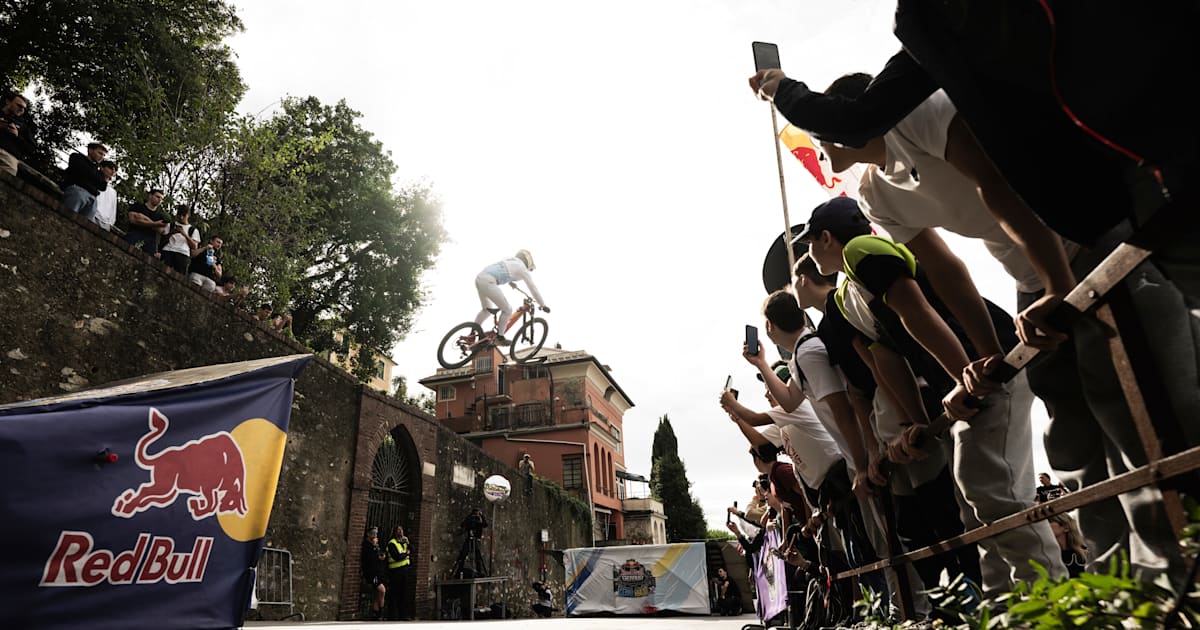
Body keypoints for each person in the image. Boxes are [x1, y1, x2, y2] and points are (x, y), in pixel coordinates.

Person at [796, 196, 1067, 595]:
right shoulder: (844, 296)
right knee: (975, 502)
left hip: (988, 365)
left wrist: (964, 374)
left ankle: (1049, 598)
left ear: (826, 238)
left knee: (992, 489)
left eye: (810, 243)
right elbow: (885, 359)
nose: (808, 252)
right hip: (960, 382)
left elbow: (915, 310)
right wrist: (915, 421)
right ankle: (1007, 603)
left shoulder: (861, 250)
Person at [473, 249, 548, 344]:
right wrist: (543, 304)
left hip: (479, 278)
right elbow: (533, 288)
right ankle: (500, 337)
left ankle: (472, 334)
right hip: (489, 282)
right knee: (507, 310)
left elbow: (505, 272)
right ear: (526, 262)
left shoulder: (508, 260)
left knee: (486, 310)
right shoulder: (523, 269)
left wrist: (511, 283)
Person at [61, 142, 108, 219]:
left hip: (92, 198)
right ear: (90, 150)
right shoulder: (77, 157)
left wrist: (103, 177)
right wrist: (97, 177)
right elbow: (83, 171)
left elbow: (102, 187)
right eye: (100, 153)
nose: (102, 157)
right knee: (67, 217)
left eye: (103, 155)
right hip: (77, 191)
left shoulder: (97, 170)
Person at [0, 91, 36, 176]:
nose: (21, 110)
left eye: (24, 108)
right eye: (19, 106)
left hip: (8, 158)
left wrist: (17, 136)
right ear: (8, 102)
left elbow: (31, 148)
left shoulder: (24, 126)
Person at [124, 189, 169, 256]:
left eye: (161, 199)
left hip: (149, 243)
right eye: (157, 197)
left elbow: (162, 231)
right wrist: (155, 224)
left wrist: (143, 218)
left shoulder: (160, 216)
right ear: (150, 196)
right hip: (134, 235)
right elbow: (133, 219)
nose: (160, 200)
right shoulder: (138, 206)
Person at [160, 205, 200, 274]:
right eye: (179, 215)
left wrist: (184, 234)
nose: (181, 217)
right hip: (168, 251)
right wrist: (172, 233)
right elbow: (163, 240)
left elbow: (194, 246)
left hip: (183, 254)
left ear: (188, 215)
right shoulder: (170, 225)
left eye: (184, 215)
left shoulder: (193, 230)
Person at [360, 525, 388, 620]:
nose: (375, 535)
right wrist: (373, 546)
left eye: (376, 533)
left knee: (377, 594)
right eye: (373, 533)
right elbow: (368, 558)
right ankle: (381, 611)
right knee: (382, 590)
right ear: (368, 534)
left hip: (379, 571)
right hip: (371, 573)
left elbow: (380, 555)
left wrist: (382, 556)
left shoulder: (377, 545)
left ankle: (376, 614)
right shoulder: (367, 545)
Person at [1049, 513, 1089, 578]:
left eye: (1050, 521)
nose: (1046, 525)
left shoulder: (1084, 552)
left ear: (1066, 527)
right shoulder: (1048, 555)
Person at [385, 525, 412, 621]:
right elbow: (397, 557)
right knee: (394, 594)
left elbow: (412, 550)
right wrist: (406, 554)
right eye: (398, 530)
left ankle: (403, 615)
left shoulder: (403, 543)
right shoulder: (392, 543)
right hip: (395, 572)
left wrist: (408, 543)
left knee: (403, 593)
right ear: (394, 532)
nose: (400, 532)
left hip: (404, 571)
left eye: (401, 530)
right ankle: (392, 616)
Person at [453, 508, 489, 578]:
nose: (475, 515)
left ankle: (479, 571)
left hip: (476, 539)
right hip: (469, 538)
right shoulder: (470, 519)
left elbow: (485, 525)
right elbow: (462, 524)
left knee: (477, 556)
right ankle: (459, 571)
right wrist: (470, 517)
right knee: (463, 555)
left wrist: (481, 516)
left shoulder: (479, 519)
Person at [92, 161, 118, 231]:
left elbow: (113, 208)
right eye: (110, 168)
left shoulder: (113, 192)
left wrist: (111, 223)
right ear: (101, 167)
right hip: (92, 214)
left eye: (114, 170)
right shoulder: (93, 181)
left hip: (105, 222)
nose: (112, 171)